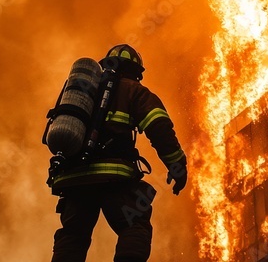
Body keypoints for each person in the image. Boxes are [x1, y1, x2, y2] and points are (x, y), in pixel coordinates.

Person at [48, 44, 188, 262]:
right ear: (136, 71)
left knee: (73, 236)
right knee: (134, 224)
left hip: (73, 177)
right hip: (114, 176)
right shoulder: (134, 91)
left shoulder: (85, 92)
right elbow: (159, 127)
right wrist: (177, 164)